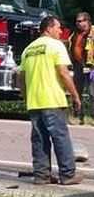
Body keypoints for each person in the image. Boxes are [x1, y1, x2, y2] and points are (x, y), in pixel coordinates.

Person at [18, 15, 83, 185]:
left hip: (34, 102)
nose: (60, 31)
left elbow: (21, 77)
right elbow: (63, 72)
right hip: (53, 99)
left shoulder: (28, 49)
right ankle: (68, 175)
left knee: (39, 139)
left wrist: (26, 97)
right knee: (60, 137)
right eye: (58, 28)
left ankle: (41, 175)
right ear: (49, 28)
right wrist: (75, 95)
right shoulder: (56, 46)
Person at [67, 12, 94, 124]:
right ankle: (78, 116)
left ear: (87, 21)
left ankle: (92, 117)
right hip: (78, 66)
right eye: (77, 21)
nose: (78, 23)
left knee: (92, 93)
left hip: (92, 66)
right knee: (76, 92)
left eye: (80, 21)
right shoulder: (74, 34)